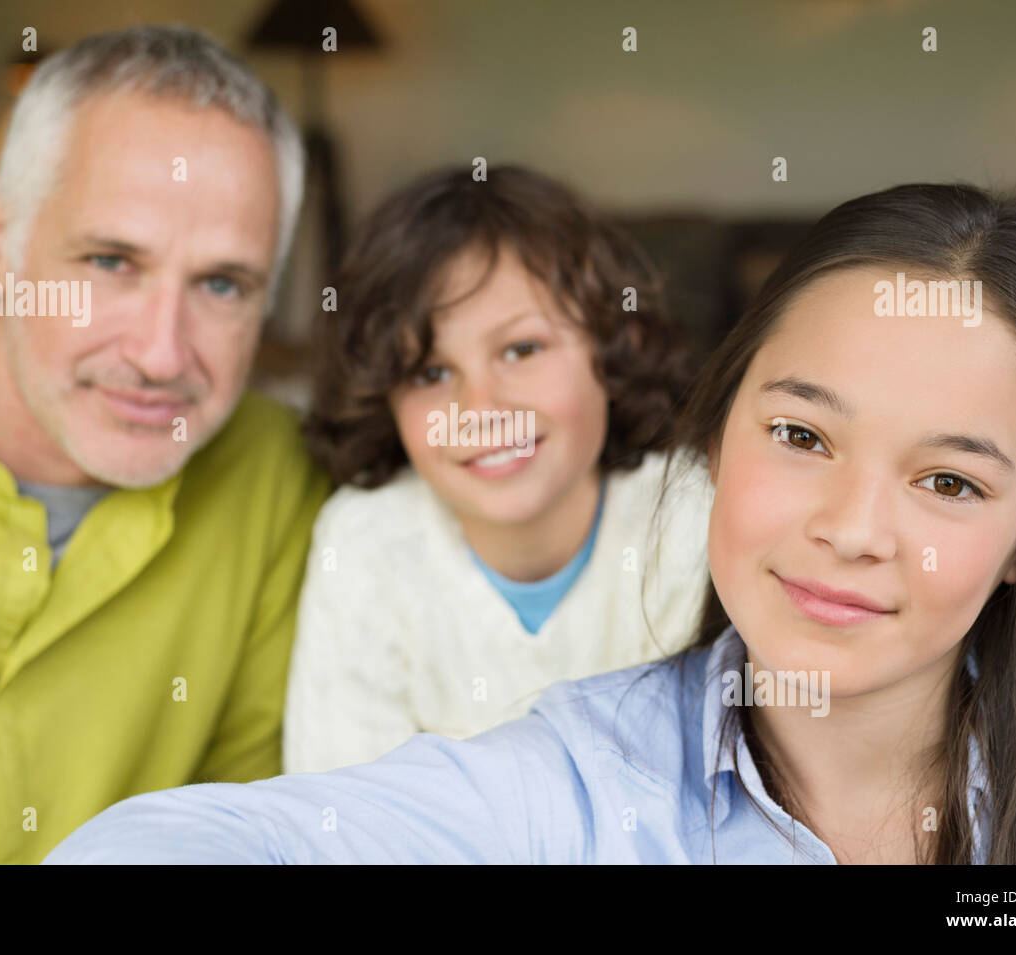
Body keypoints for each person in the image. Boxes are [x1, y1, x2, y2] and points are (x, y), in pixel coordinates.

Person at [45, 182, 1016, 865]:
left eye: (948, 482)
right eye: (802, 436)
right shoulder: (570, 780)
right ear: (716, 442)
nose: (852, 530)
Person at [0, 25, 329, 863]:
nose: (161, 354)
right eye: (110, 260)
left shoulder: (279, 472)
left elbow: (254, 821)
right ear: (0, 240)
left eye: (221, 283)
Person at [282, 164, 715, 773]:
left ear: (614, 350)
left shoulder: (690, 518)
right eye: (430, 373)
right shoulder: (366, 541)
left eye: (522, 349)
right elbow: (343, 813)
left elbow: (700, 805)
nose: (480, 408)